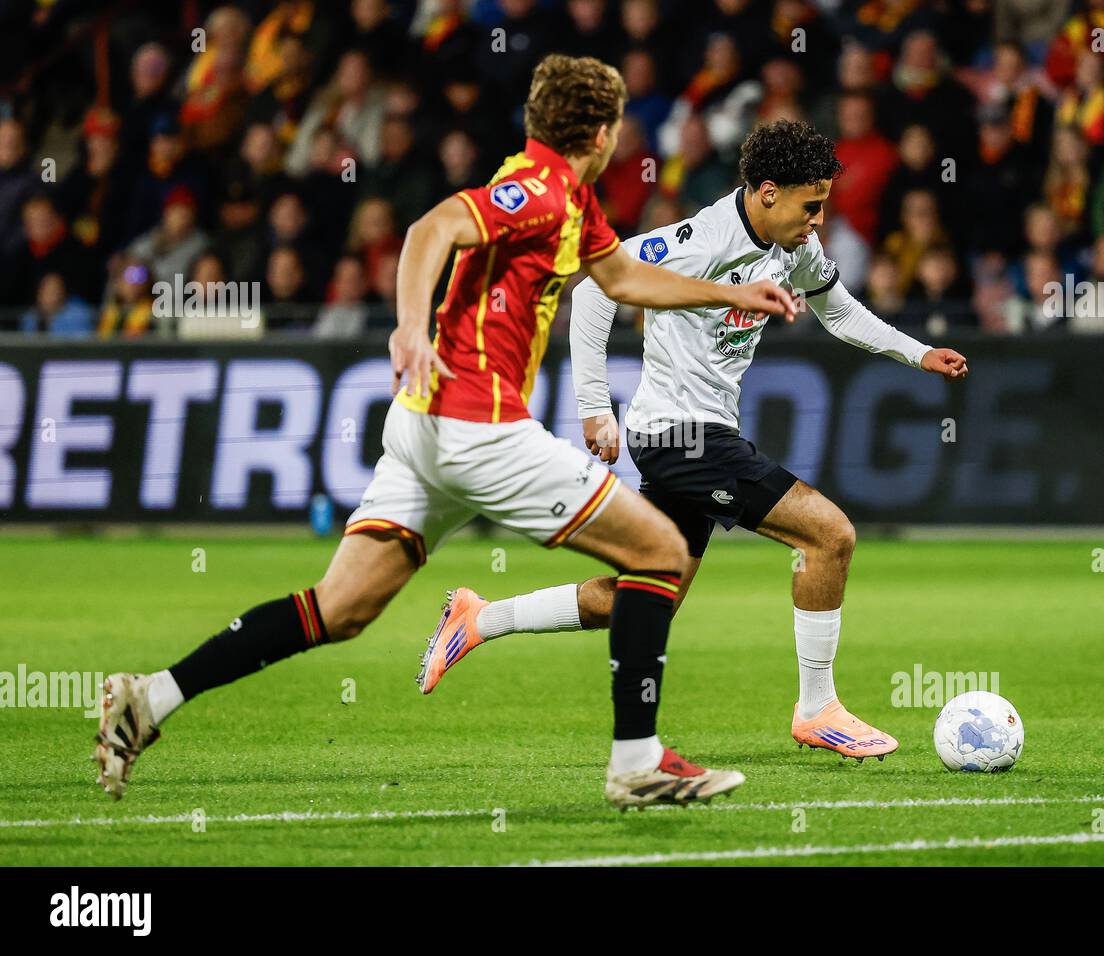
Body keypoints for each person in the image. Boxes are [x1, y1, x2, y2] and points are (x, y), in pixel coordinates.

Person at [94, 55, 795, 810]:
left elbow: (622, 278)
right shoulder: (537, 191)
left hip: (422, 428)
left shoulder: (571, 197)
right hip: (479, 428)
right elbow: (431, 229)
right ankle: (636, 763)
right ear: (601, 130)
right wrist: (407, 328)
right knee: (660, 551)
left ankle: (151, 697)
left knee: (343, 609)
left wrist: (730, 289)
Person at [421, 121, 969, 761]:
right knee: (830, 534)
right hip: (681, 437)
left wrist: (920, 352)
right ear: (767, 192)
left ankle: (479, 618)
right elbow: (598, 287)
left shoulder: (792, 248)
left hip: (700, 435)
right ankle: (818, 709)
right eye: (810, 204)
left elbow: (839, 309)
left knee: (650, 592)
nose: (819, 219)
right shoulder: (700, 241)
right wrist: (596, 409)